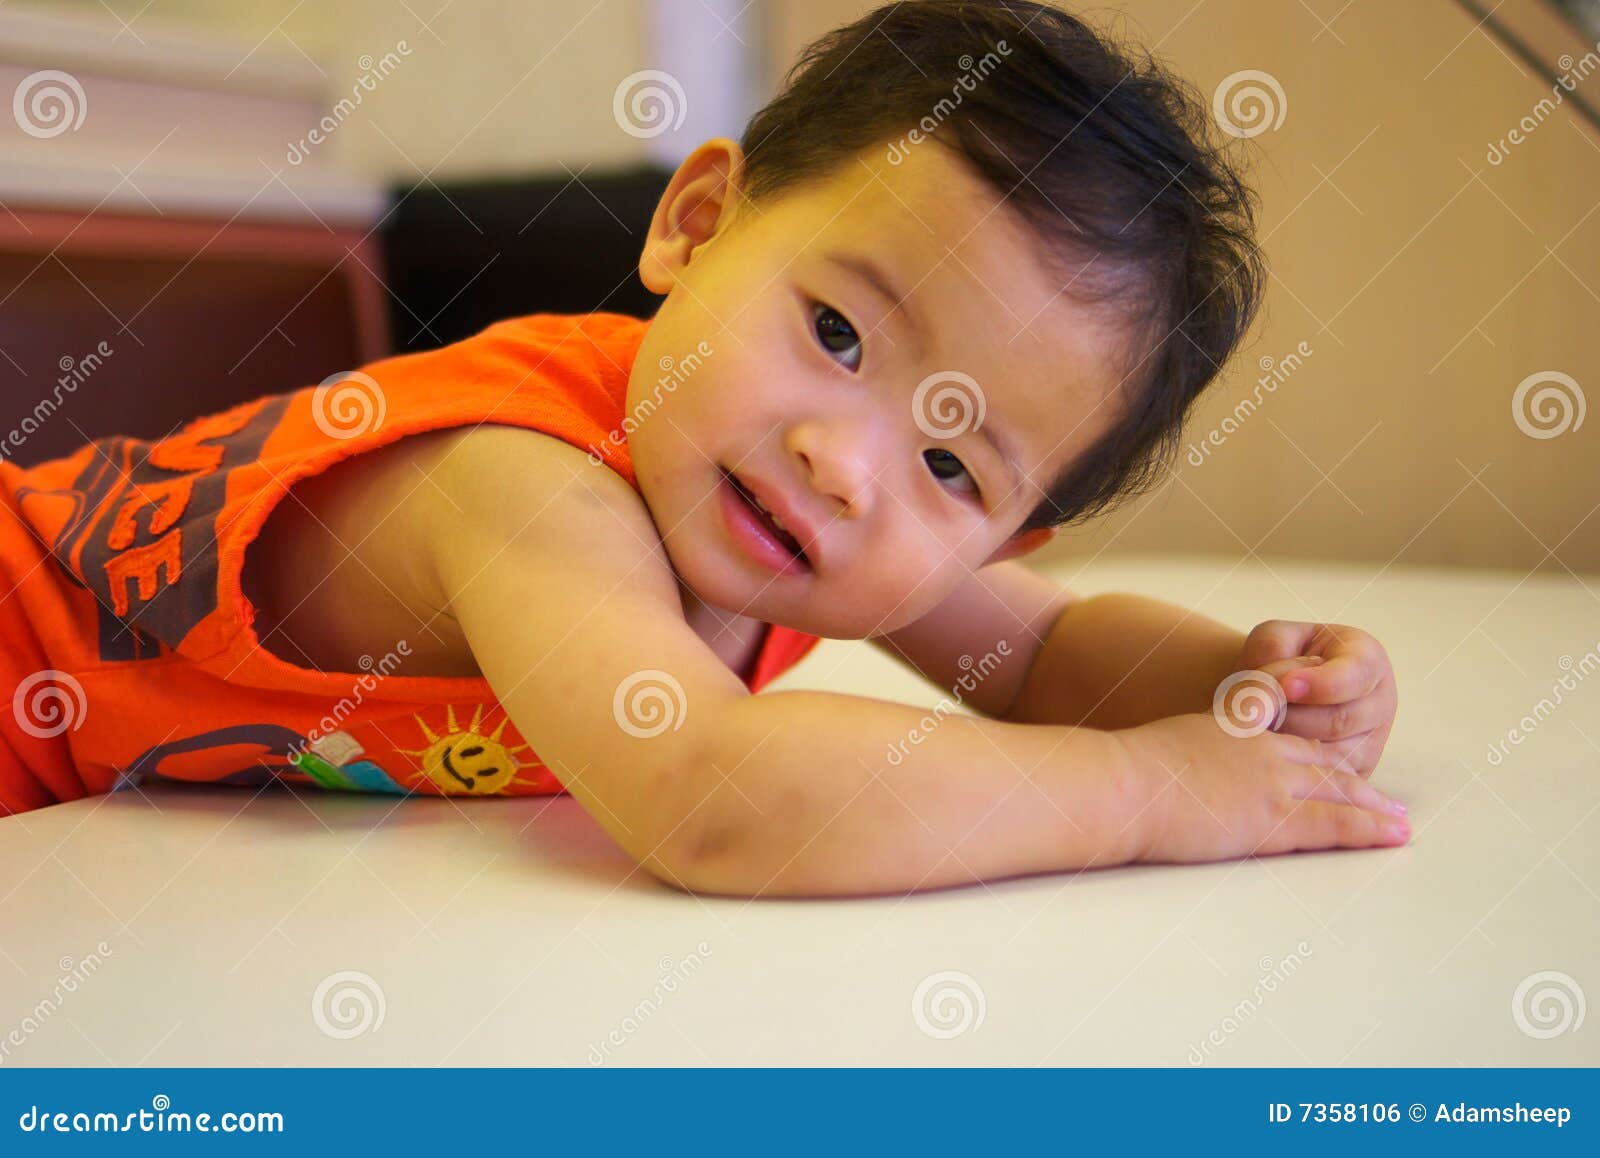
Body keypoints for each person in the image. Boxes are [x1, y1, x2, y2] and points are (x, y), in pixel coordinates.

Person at [0, 0, 1405, 895]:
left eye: (955, 468)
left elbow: (1039, 659)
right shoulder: (525, 475)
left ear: (1003, 539)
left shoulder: (823, 522)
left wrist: (1242, 695)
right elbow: (712, 798)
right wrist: (1151, 792)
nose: (846, 460)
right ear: (699, 222)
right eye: (840, 336)